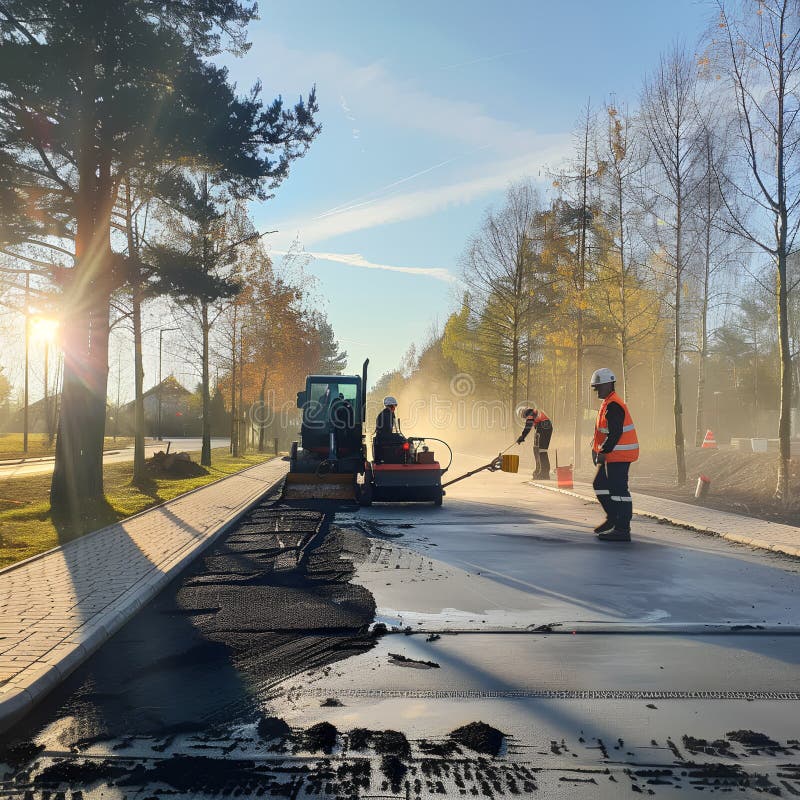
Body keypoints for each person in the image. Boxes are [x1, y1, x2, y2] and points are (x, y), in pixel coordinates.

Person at [590, 368, 639, 542]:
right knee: (600, 484)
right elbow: (604, 432)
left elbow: (616, 433)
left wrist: (603, 451)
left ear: (609, 384)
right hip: (613, 455)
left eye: (598, 386)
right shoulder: (608, 403)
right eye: (595, 387)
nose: (596, 390)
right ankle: (613, 518)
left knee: (619, 491)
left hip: (619, 456)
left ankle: (622, 529)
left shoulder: (613, 405)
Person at [517, 407, 553, 479]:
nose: (524, 418)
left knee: (541, 451)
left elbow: (528, 427)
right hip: (547, 427)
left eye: (522, 416)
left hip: (543, 426)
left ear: (523, 412)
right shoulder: (533, 412)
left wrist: (522, 436)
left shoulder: (529, 412)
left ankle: (544, 473)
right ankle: (543, 472)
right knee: (542, 451)